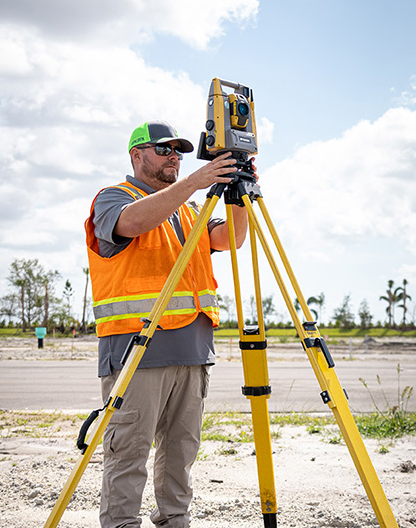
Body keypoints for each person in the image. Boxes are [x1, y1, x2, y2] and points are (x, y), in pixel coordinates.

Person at [85, 119, 252, 528]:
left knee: (181, 449)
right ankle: (122, 523)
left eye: (178, 149)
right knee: (129, 451)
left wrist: (239, 193)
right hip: (136, 350)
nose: (174, 156)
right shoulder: (113, 197)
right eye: (164, 149)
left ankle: (174, 520)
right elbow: (131, 224)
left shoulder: (190, 210)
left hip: (192, 350)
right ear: (136, 155)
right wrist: (195, 182)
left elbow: (231, 238)